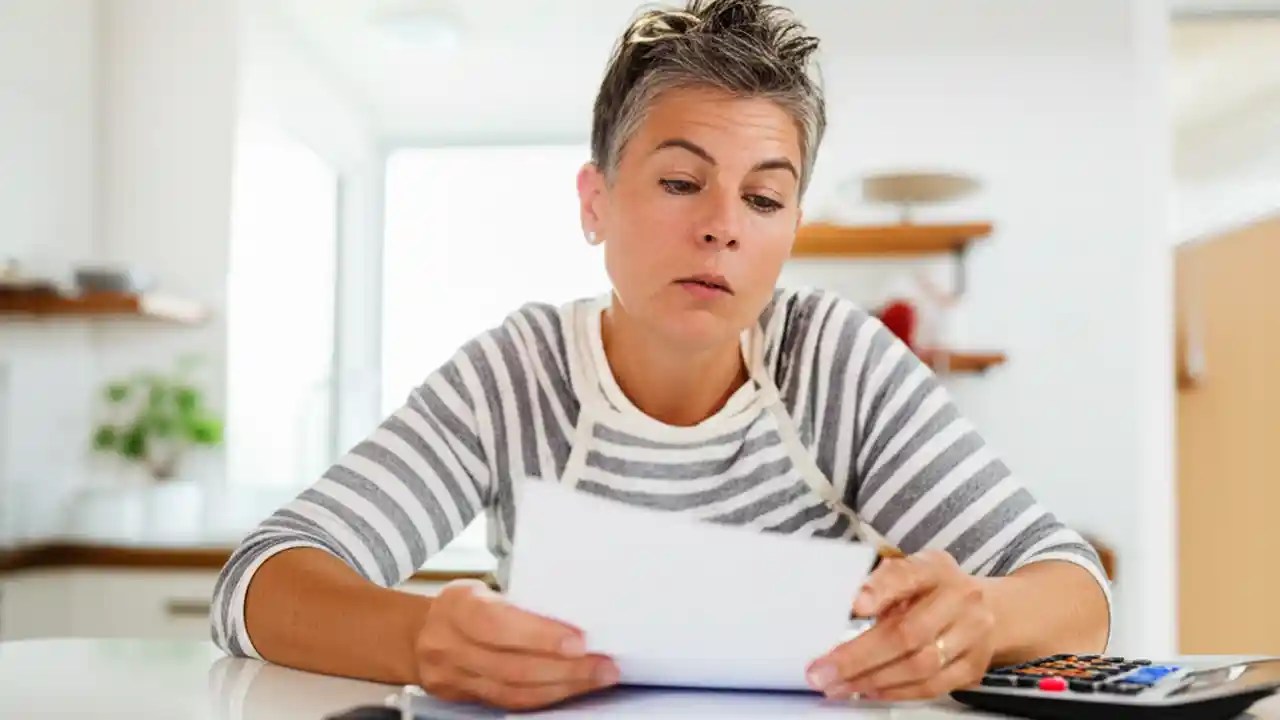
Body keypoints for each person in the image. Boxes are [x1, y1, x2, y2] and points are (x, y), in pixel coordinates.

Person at [211, 0, 1110, 711]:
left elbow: (1078, 594)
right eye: (681, 182)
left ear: (792, 228)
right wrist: (417, 638)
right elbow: (260, 580)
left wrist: (980, 617)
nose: (721, 225)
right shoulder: (520, 373)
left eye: (763, 199)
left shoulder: (835, 360)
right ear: (595, 202)